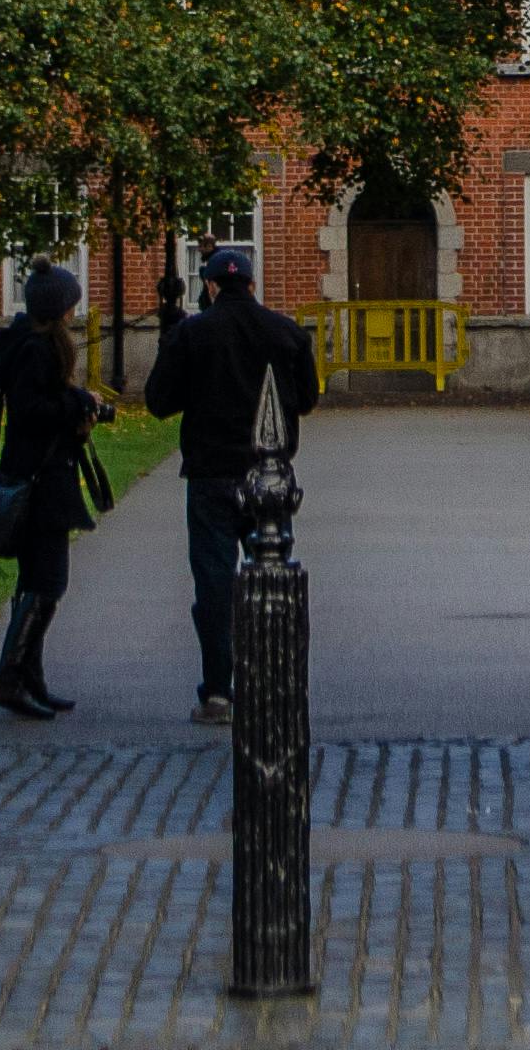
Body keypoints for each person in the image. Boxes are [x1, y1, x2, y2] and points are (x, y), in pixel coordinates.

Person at [141, 240, 319, 724]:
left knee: (215, 584)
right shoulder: (286, 333)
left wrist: (172, 342)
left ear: (212, 287)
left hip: (211, 473)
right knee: (272, 577)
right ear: (253, 285)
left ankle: (219, 690)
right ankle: (273, 684)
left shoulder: (194, 333)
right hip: (270, 477)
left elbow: (158, 401)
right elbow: (306, 400)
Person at [0, 261, 103, 721]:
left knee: (35, 581)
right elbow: (34, 410)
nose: (75, 312)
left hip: (38, 475)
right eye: (71, 304)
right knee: (48, 583)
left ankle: (29, 677)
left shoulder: (26, 346)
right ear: (57, 309)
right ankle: (9, 679)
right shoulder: (36, 351)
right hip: (40, 482)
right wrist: (78, 402)